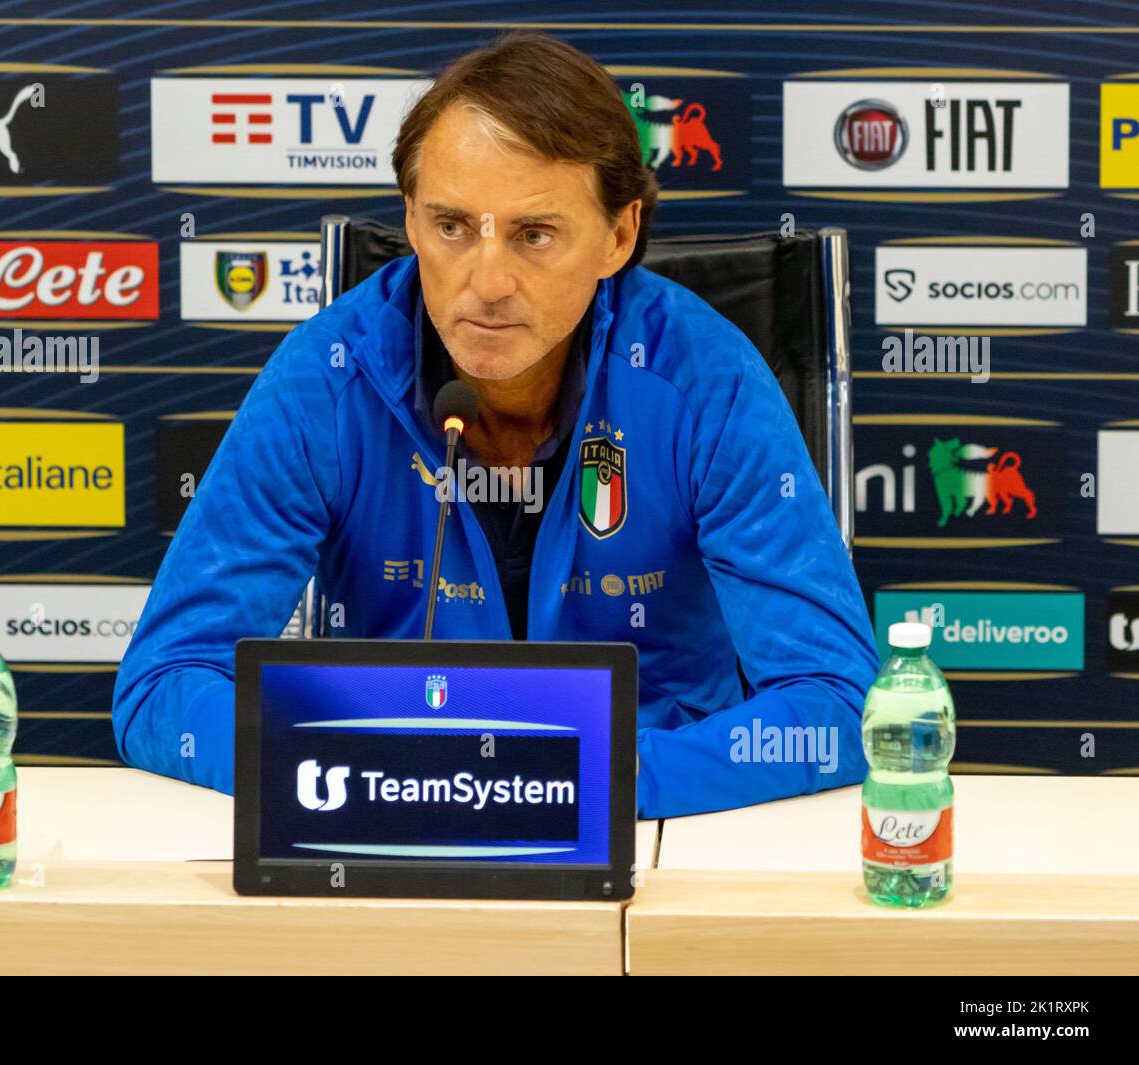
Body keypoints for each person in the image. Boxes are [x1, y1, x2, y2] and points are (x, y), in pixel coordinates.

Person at [113, 31, 878, 819]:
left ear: (617, 237)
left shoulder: (708, 382)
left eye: (534, 235)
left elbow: (840, 712)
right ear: (409, 221)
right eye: (451, 228)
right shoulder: (325, 382)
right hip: (395, 814)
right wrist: (356, 762)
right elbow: (163, 686)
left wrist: (579, 783)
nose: (486, 283)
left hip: (649, 829)